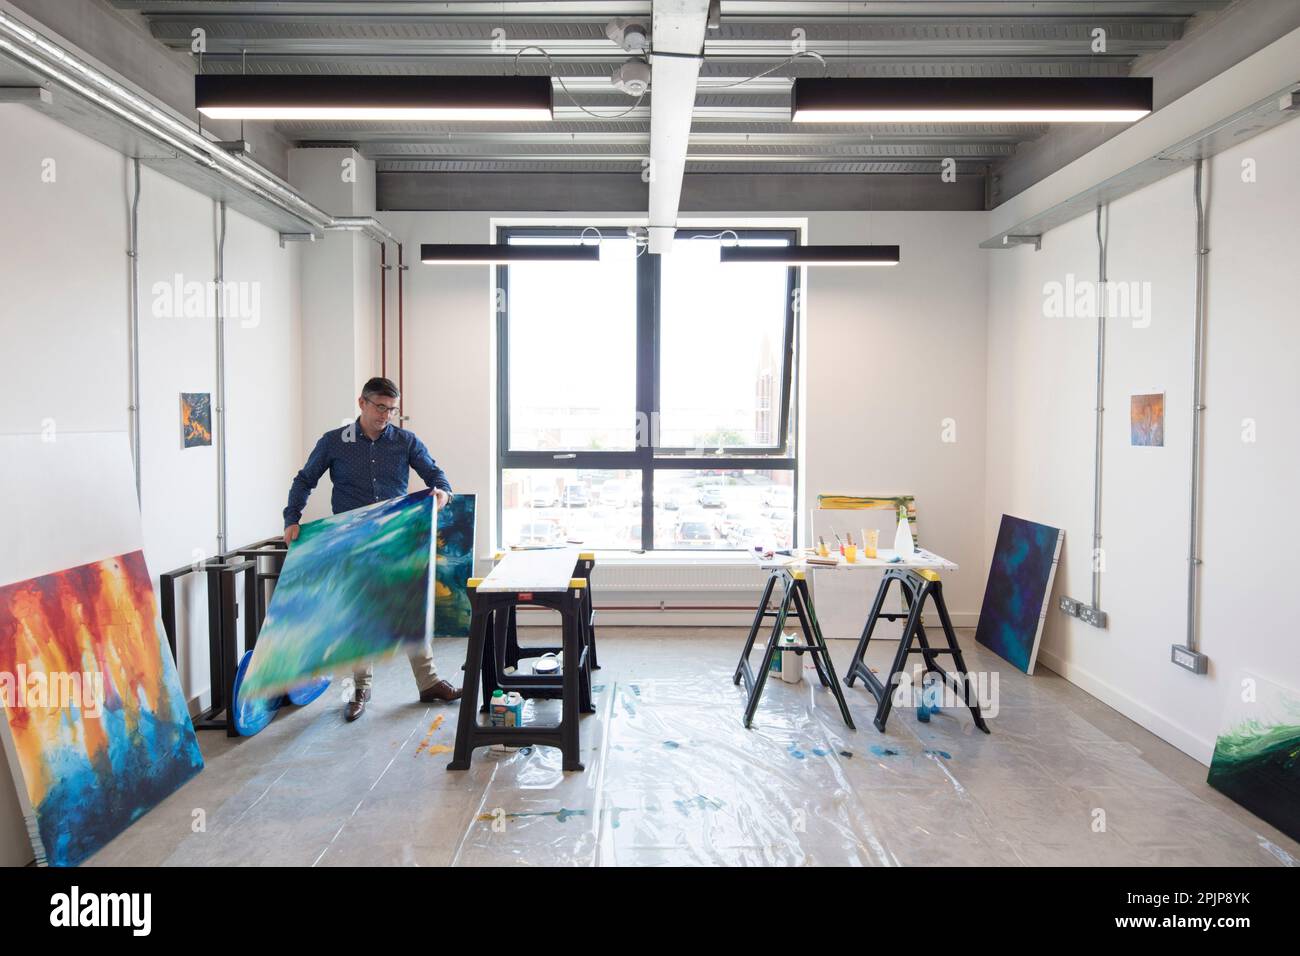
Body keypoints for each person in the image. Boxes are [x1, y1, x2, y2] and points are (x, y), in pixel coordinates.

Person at [283, 376, 462, 721]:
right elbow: (305, 480)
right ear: (362, 403)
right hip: (352, 541)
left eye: (392, 410)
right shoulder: (334, 442)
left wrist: (441, 492)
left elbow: (438, 477)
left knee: (410, 608)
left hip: (396, 539)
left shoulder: (406, 442)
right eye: (380, 407)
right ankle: (360, 690)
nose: (385, 415)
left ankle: (429, 684)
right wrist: (292, 518)